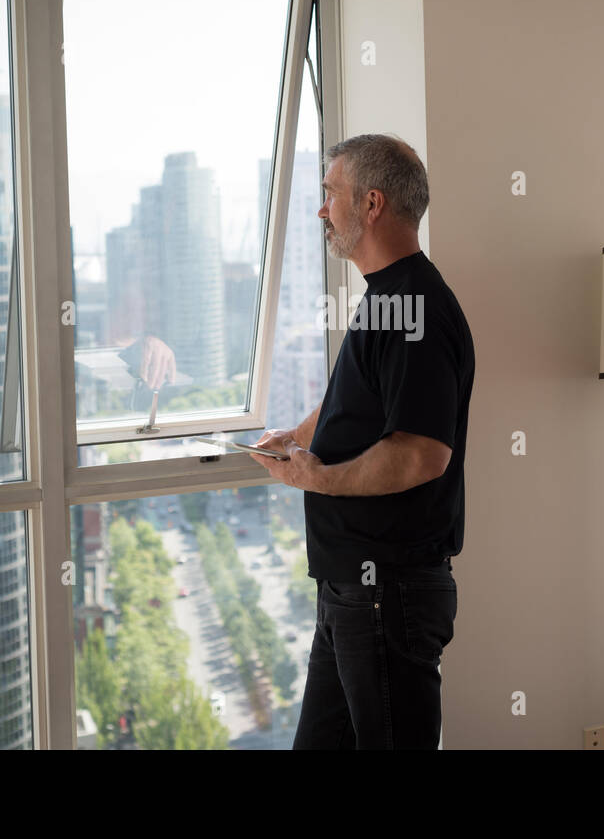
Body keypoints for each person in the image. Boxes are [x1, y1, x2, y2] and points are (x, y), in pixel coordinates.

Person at [249, 133, 475, 749]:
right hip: (352, 592)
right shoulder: (386, 299)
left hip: (386, 594)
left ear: (371, 204)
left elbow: (421, 453)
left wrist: (316, 477)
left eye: (332, 193)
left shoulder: (415, 308)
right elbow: (357, 401)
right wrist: (297, 437)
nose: (322, 209)